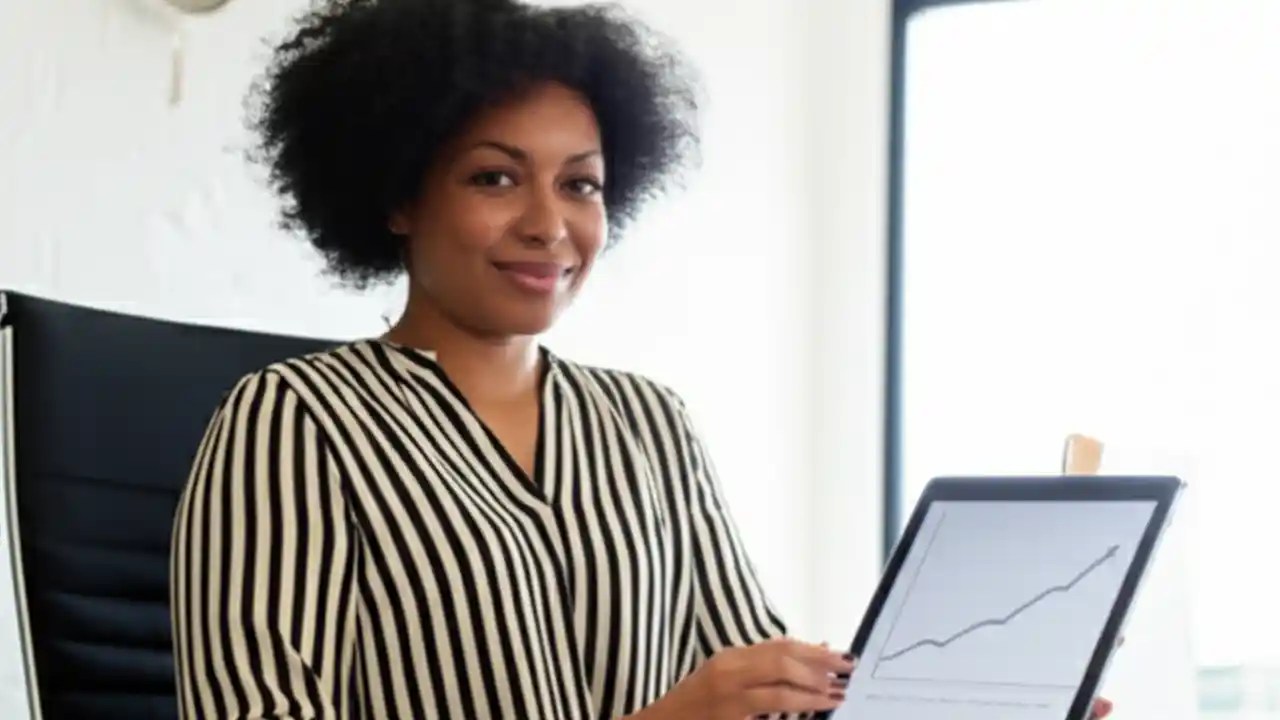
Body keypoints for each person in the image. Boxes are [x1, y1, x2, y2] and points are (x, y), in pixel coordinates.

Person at [169, 1, 1115, 719]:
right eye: (494, 177)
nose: (550, 225)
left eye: (581, 184)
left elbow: (761, 694)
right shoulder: (292, 420)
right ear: (396, 197)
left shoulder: (647, 420)